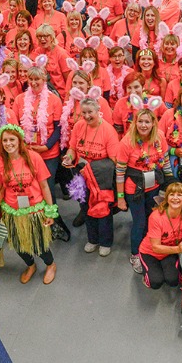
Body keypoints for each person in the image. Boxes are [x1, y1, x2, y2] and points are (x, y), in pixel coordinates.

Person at [0, 124, 59, 285]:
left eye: (12, 139)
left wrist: (50, 212)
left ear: (19, 140)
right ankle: (30, 265)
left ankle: (50, 265)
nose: (8, 143)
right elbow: (0, 187)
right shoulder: (0, 162)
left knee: (39, 244)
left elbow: (45, 186)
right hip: (13, 212)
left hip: (34, 210)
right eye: (5, 140)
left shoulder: (33, 157)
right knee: (18, 245)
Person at [116, 109, 174, 274]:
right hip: (134, 189)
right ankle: (135, 254)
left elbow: (165, 162)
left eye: (147, 121)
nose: (143, 125)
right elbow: (120, 173)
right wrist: (120, 198)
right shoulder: (127, 142)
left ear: (153, 123)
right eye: (140, 121)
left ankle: (150, 249)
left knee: (152, 220)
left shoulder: (159, 137)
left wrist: (168, 185)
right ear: (135, 123)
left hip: (154, 186)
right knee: (140, 223)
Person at [63, 98, 120, 257]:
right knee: (85, 208)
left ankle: (105, 241)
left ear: (98, 111)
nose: (87, 116)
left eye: (90, 112)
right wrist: (69, 157)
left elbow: (114, 160)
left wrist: (93, 167)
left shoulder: (108, 130)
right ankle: (93, 239)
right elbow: (72, 148)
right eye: (84, 113)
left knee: (102, 210)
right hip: (81, 176)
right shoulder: (79, 126)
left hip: (101, 178)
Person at [139, 182, 182, 290]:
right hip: (150, 252)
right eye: (171, 195)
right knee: (155, 282)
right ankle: (147, 274)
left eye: (179, 195)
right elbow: (155, 247)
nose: (175, 198)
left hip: (169, 252)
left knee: (173, 281)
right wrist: (177, 249)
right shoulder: (156, 217)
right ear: (167, 198)